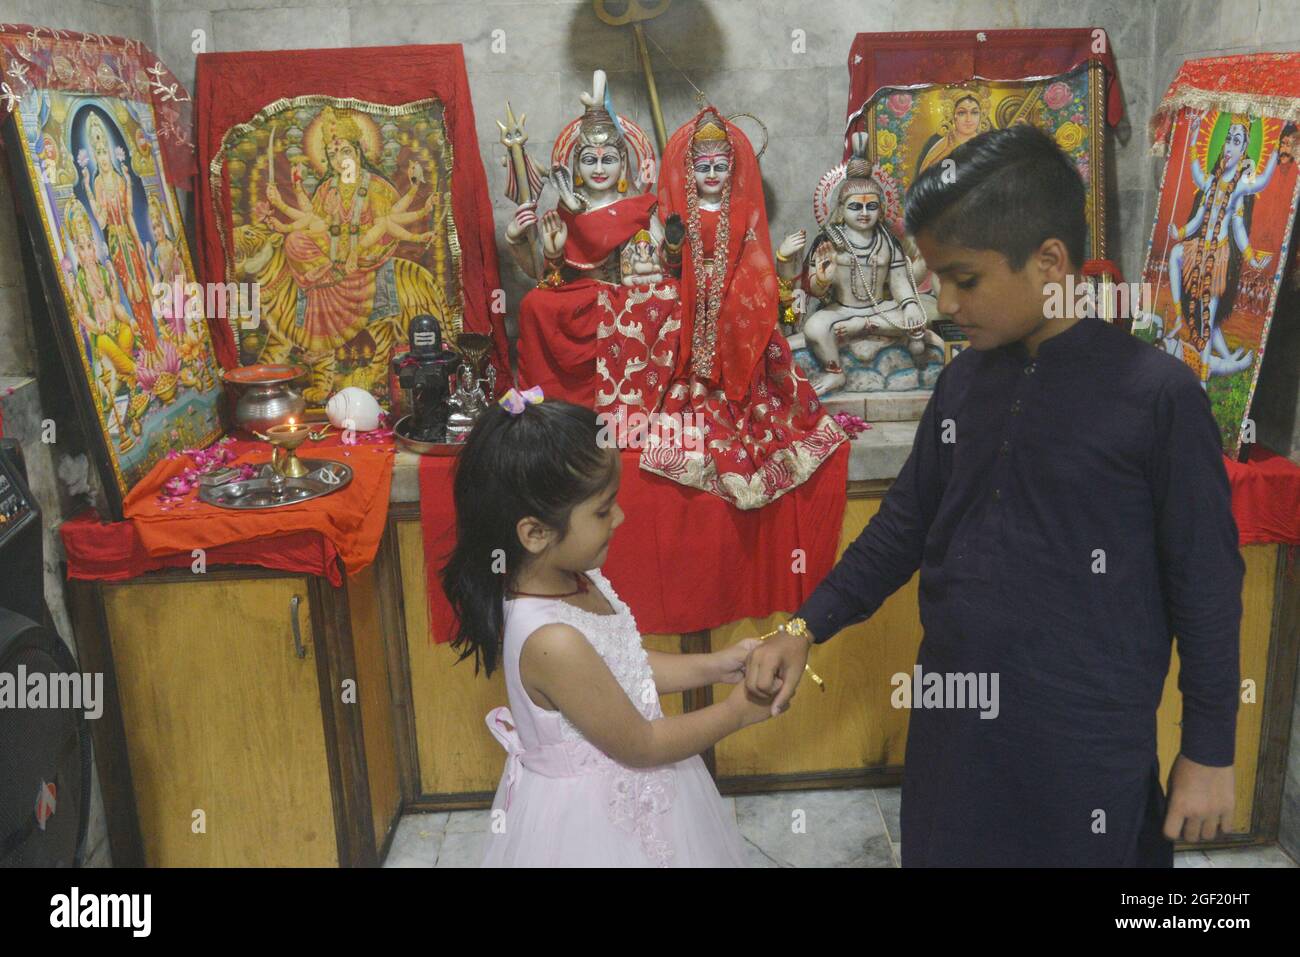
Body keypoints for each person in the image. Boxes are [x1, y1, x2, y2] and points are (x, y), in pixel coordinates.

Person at [745, 125, 1244, 867]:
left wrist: (1208, 751)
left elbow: (1206, 583)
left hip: (1084, 743)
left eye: (965, 279)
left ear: (1048, 261)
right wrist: (803, 624)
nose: (943, 301)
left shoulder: (1157, 397)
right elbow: (904, 527)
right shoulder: (964, 379)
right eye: (935, 276)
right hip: (956, 729)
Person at [442, 389, 773, 866]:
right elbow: (642, 744)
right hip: (594, 824)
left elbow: (621, 668)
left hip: (644, 791)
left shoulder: (573, 577)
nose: (620, 517)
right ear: (535, 533)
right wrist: (739, 712)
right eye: (602, 511)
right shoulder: (551, 641)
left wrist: (718, 666)